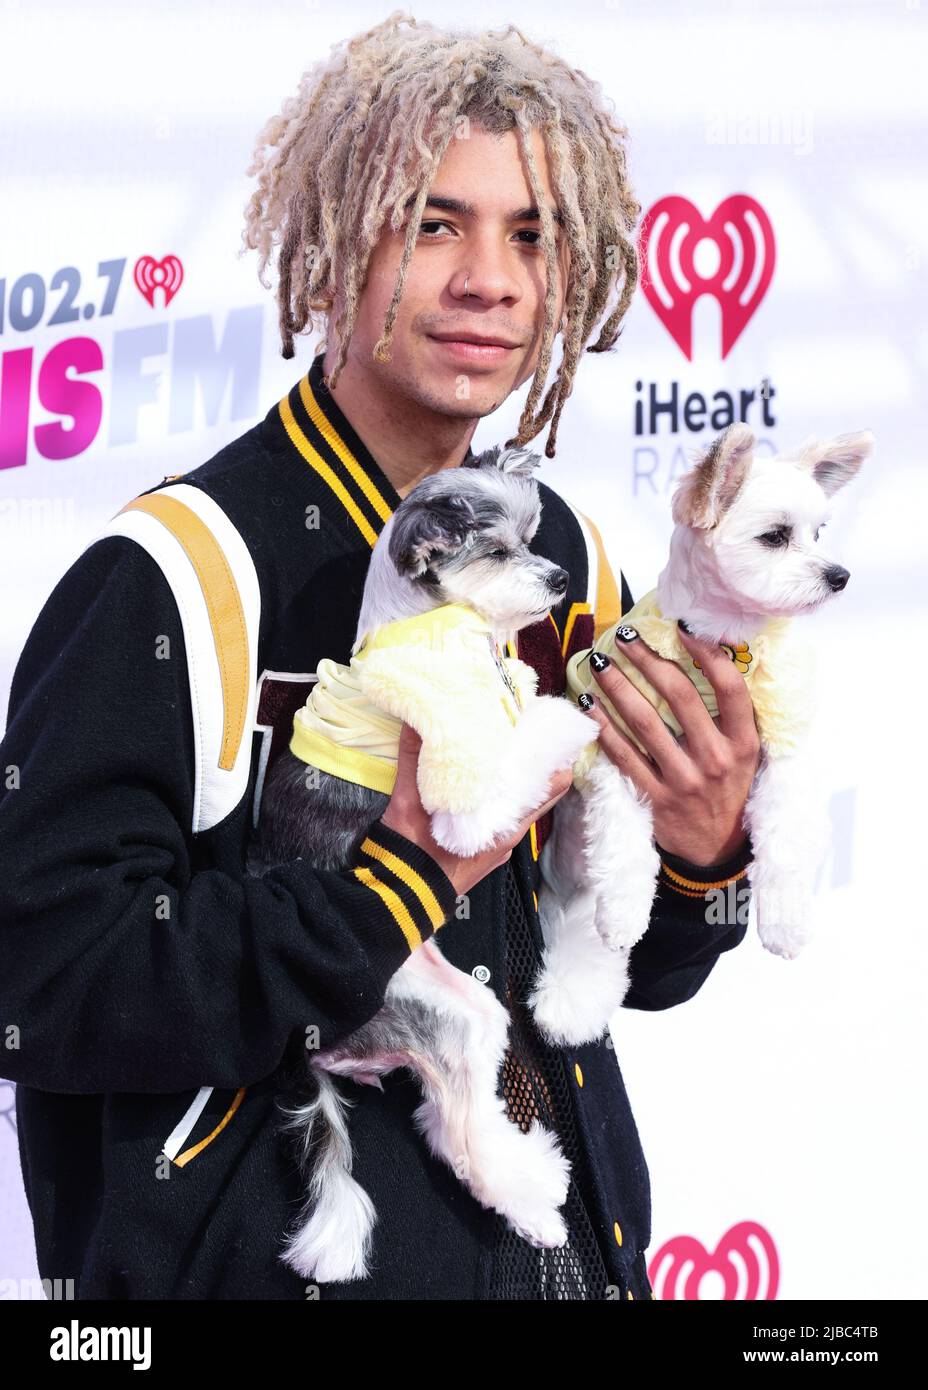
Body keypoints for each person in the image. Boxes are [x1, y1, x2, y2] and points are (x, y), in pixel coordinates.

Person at [0, 12, 759, 1300]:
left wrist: (696, 861)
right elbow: (50, 980)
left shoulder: (564, 556)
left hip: (555, 1253)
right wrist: (398, 881)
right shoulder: (180, 573)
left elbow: (612, 972)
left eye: (532, 233)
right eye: (431, 223)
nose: (491, 279)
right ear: (338, 236)